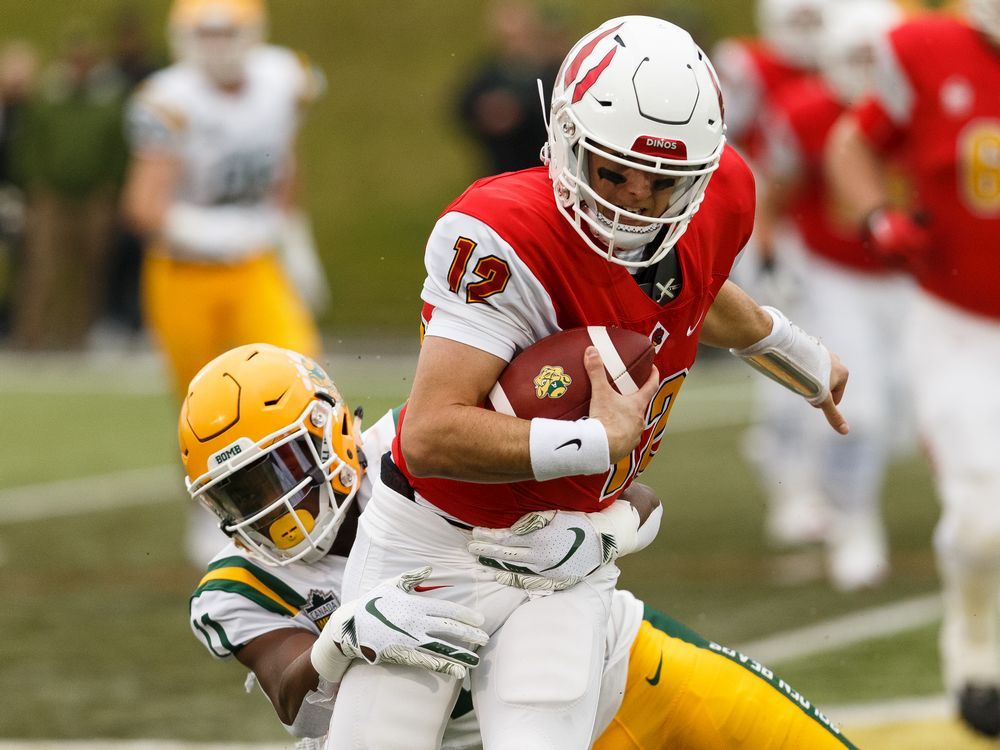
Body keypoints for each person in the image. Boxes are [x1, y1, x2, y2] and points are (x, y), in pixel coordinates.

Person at [328, 16, 850, 750]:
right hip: (434, 541)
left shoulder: (721, 197)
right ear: (567, 137)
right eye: (612, 173)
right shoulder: (504, 232)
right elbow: (432, 434)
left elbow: (694, 290)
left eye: (662, 184)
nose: (633, 202)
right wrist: (592, 441)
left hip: (564, 552)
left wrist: (795, 355)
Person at [182, 343, 858, 749]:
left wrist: (603, 535)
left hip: (620, 670)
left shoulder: (419, 447)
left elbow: (636, 494)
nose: (268, 507)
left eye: (277, 474)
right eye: (237, 495)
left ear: (330, 432)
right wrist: (340, 641)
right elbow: (292, 696)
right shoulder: (236, 586)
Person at [824, 0, 1000, 735]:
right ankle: (976, 643)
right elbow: (850, 144)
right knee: (984, 515)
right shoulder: (925, 50)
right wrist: (876, 215)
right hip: (961, 321)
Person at [122, 0, 327, 566]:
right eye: (204, 35)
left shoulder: (283, 79)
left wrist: (294, 237)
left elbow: (283, 163)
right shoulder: (169, 100)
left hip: (255, 265)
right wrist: (218, 232)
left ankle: (315, 498)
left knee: (299, 379)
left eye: (226, 33)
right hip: (184, 272)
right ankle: (208, 511)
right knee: (202, 406)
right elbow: (143, 206)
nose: (216, 47)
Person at [752, 0, 909, 590]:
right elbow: (775, 194)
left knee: (915, 413)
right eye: (856, 58)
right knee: (858, 411)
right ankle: (853, 524)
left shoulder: (927, 106)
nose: (866, 72)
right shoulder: (806, 113)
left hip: (918, 278)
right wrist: (770, 256)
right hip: (838, 274)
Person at [712, 0, 835, 550]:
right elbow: (718, 142)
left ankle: (804, 473)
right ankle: (789, 476)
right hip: (768, 229)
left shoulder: (833, 63)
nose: (808, 31)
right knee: (782, 344)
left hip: (818, 230)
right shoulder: (748, 65)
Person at [10, 22, 128, 350]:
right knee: (42, 268)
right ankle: (32, 336)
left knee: (87, 270)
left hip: (94, 198)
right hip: (51, 197)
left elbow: (118, 149)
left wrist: (110, 187)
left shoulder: (108, 103)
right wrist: (36, 183)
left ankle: (75, 336)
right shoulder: (48, 101)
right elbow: (30, 145)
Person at [456, 0, 566, 176]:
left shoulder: (551, 70)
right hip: (499, 167)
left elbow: (559, 109)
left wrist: (520, 111)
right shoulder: (489, 73)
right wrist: (486, 112)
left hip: (542, 167)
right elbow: (462, 106)